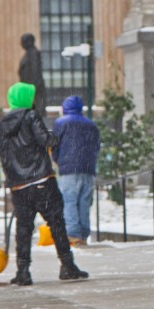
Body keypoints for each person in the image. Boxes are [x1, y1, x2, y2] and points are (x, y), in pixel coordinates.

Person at [0, 82, 88, 285]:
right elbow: (46, 140)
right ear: (27, 98)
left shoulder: (2, 125)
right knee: (56, 223)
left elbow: (4, 156)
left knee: (24, 228)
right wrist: (55, 136)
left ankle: (23, 271)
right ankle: (67, 265)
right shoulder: (30, 116)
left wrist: (14, 180)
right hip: (41, 181)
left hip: (19, 186)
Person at [52, 96, 100, 247]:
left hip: (68, 169)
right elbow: (96, 146)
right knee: (84, 202)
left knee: (69, 201)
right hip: (88, 169)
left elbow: (54, 145)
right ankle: (84, 234)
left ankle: (73, 235)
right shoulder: (91, 125)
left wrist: (58, 160)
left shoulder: (61, 123)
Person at [18, 33, 47, 118]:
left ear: (29, 42)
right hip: (29, 88)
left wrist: (32, 88)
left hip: (33, 88)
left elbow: (35, 71)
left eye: (23, 41)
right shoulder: (29, 53)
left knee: (37, 109)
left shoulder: (33, 53)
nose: (21, 43)